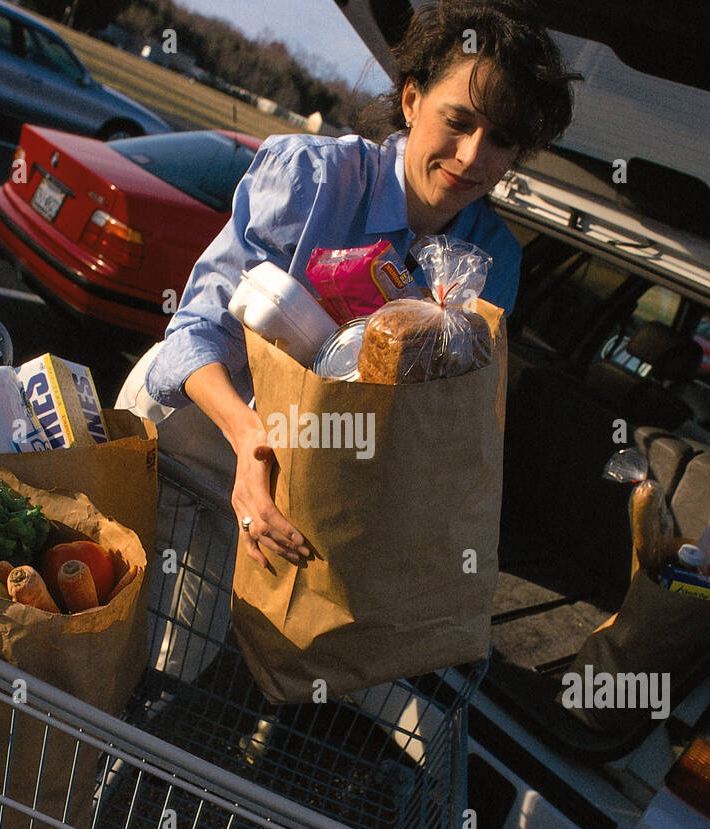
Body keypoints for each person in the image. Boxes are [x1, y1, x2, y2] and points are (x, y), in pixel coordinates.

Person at [120, 0, 578, 572]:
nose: (471, 156)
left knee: (192, 650)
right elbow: (195, 330)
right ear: (411, 100)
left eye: (501, 140)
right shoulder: (314, 177)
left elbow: (444, 413)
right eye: (458, 122)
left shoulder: (492, 261)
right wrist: (249, 439)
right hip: (194, 426)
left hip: (299, 476)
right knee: (110, 598)